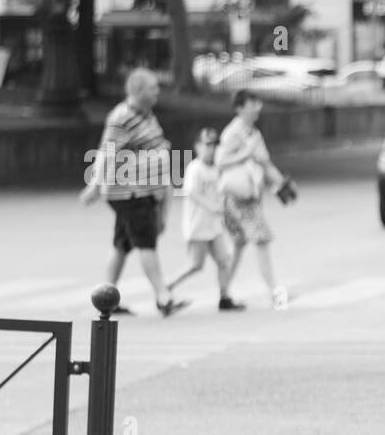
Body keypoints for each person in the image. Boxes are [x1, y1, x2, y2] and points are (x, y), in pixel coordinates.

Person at [80, 68, 184, 316]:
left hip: (142, 190)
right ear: (138, 91)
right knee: (147, 242)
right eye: (153, 88)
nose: (157, 92)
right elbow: (107, 151)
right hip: (130, 192)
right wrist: (94, 185)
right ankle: (163, 296)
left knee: (122, 244)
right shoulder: (122, 116)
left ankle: (107, 298)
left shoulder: (146, 115)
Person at [217, 92, 287, 307]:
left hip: (250, 196)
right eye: (251, 104)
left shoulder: (253, 132)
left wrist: (281, 183)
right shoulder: (233, 133)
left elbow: (265, 162)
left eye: (257, 102)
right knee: (262, 239)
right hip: (238, 198)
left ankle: (224, 293)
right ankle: (275, 291)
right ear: (239, 108)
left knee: (239, 245)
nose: (257, 107)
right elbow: (220, 161)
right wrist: (245, 153)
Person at [167, 129, 243, 310]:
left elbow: (222, 194)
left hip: (214, 226)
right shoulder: (195, 168)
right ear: (198, 146)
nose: (211, 149)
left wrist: (229, 213)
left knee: (224, 260)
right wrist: (211, 206)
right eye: (207, 145)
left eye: (214, 145)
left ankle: (225, 297)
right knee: (195, 265)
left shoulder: (217, 169)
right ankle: (166, 287)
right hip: (197, 226)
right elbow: (191, 192)